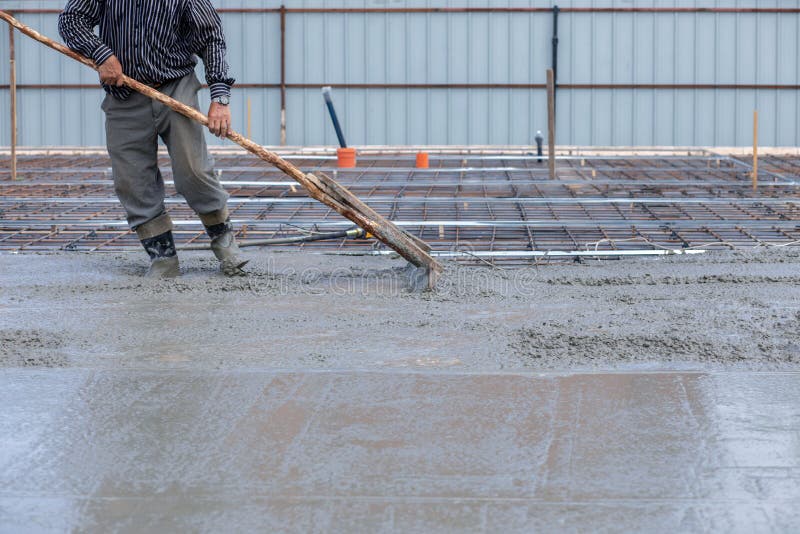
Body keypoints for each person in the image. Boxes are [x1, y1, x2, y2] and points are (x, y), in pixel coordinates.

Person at [58, 0, 247, 277]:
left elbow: (211, 38)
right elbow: (71, 20)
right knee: (132, 179)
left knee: (192, 169)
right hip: (124, 93)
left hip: (175, 86)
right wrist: (101, 54)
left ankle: (224, 242)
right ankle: (163, 257)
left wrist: (220, 97)